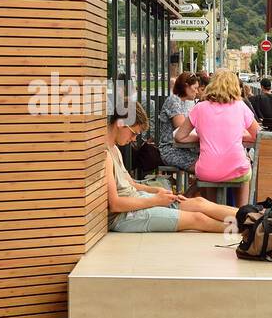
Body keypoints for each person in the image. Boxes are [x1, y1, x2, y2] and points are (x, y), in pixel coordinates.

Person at [106, 101, 238, 233]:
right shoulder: (106, 155)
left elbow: (131, 184)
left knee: (198, 202)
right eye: (133, 133)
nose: (134, 139)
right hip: (124, 216)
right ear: (121, 124)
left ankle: (251, 216)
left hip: (137, 199)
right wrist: (155, 201)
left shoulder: (115, 150)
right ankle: (247, 230)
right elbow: (115, 204)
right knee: (197, 219)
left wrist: (156, 191)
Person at [175, 70, 260, 204]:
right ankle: (241, 212)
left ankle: (213, 211)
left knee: (209, 182)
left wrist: (203, 137)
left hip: (207, 170)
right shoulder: (241, 106)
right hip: (236, 168)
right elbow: (258, 136)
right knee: (245, 172)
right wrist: (238, 136)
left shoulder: (199, 108)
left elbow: (180, 136)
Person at [158, 72, 201, 174]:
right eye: (195, 88)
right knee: (205, 170)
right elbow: (181, 128)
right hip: (171, 150)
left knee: (210, 166)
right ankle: (188, 191)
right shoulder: (174, 101)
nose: (197, 91)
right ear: (186, 86)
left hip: (181, 148)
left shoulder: (183, 102)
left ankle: (187, 191)